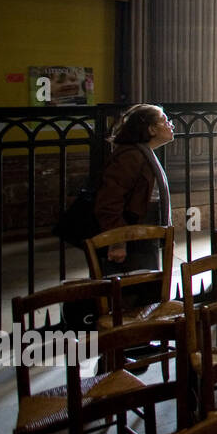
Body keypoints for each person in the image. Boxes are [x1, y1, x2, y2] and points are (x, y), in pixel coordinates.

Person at [92, 103, 174, 315]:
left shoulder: (143, 153)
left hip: (145, 233)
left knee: (146, 290)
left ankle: (142, 339)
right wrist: (117, 242)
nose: (170, 125)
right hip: (132, 236)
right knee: (132, 294)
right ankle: (131, 340)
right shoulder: (130, 156)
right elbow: (109, 202)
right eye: (165, 121)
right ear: (151, 129)